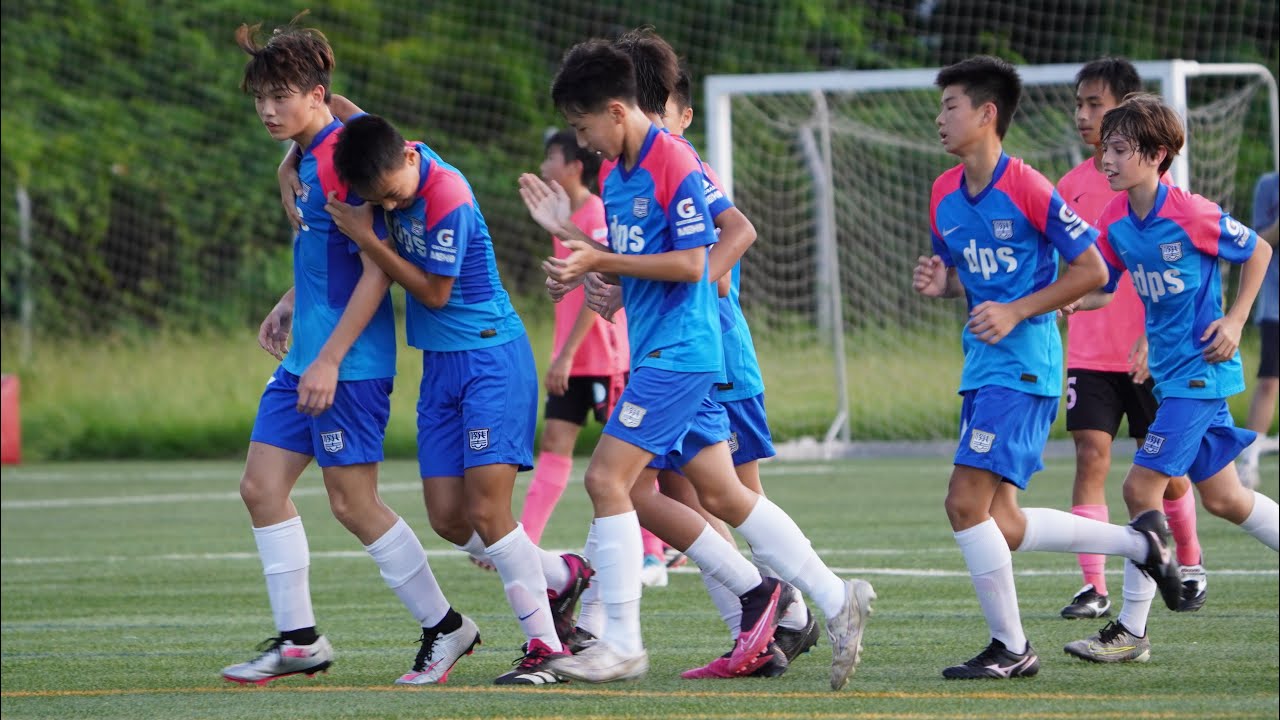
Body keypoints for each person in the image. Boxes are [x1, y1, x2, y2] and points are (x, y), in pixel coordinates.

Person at [520, 37, 875, 691]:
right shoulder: (620, 176)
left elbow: (695, 261)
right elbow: (640, 267)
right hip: (667, 350)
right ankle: (832, 597)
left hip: (681, 355)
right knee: (722, 495)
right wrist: (582, 253)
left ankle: (621, 642)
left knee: (611, 482)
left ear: (618, 110)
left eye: (584, 125)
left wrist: (600, 261)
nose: (583, 141)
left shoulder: (670, 160)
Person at [912, 56, 1185, 680]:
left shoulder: (1030, 186)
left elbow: (1092, 271)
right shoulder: (942, 193)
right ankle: (1142, 543)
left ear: (987, 115)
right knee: (1000, 523)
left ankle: (1011, 648)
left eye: (950, 105)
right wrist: (945, 282)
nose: (939, 118)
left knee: (963, 504)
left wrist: (1015, 312)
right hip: (980, 370)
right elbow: (974, 277)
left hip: (1025, 369)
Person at [223, 15, 476, 687]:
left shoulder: (346, 158)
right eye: (261, 97)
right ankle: (300, 640)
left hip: (350, 364)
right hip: (303, 356)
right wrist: (288, 300)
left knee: (352, 504)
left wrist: (331, 359)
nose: (269, 109)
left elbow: (375, 269)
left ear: (315, 93)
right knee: (260, 488)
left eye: (282, 96)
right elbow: (324, 256)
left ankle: (446, 627)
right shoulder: (307, 154)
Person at [326, 113, 592, 685]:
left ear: (406, 161)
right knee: (448, 518)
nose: (391, 208)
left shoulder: (448, 195)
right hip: (440, 368)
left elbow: (435, 293)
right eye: (378, 203)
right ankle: (560, 573)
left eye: (393, 196)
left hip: (490, 360)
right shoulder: (387, 156)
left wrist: (367, 235)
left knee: (489, 511)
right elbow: (346, 111)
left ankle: (545, 647)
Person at [1063, 94, 1279, 663]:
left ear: (1158, 155)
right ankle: (1136, 624)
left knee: (1139, 489)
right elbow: (1104, 284)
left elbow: (1257, 249)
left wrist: (1235, 320)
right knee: (1227, 499)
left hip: (1201, 375)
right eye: (1105, 148)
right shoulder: (1116, 219)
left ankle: (1131, 631)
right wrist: (1060, 304)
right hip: (1173, 377)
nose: (1105, 160)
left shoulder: (1192, 212)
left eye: (1118, 149)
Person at [1057, 58, 1207, 618]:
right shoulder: (1070, 186)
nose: (1082, 115)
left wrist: (1151, 336)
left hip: (1153, 355)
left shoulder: (1164, 197)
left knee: (1165, 479)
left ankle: (1187, 559)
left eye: (1094, 104)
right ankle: (1095, 587)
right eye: (1078, 104)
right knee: (1091, 456)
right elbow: (1076, 267)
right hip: (1088, 350)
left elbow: (1175, 279)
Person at [1237, 170, 1279, 490]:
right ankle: (1248, 461)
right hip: (1275, 305)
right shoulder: (1268, 185)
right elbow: (1258, 242)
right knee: (1269, 381)